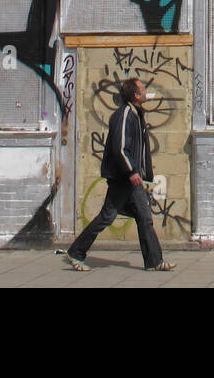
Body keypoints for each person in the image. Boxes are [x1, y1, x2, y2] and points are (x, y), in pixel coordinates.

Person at [66, 78, 175, 272]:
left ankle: (154, 261)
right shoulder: (124, 115)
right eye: (142, 88)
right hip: (123, 179)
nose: (145, 91)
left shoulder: (136, 114)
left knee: (144, 217)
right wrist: (131, 171)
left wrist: (140, 173)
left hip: (132, 179)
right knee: (106, 217)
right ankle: (76, 252)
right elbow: (120, 148)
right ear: (135, 94)